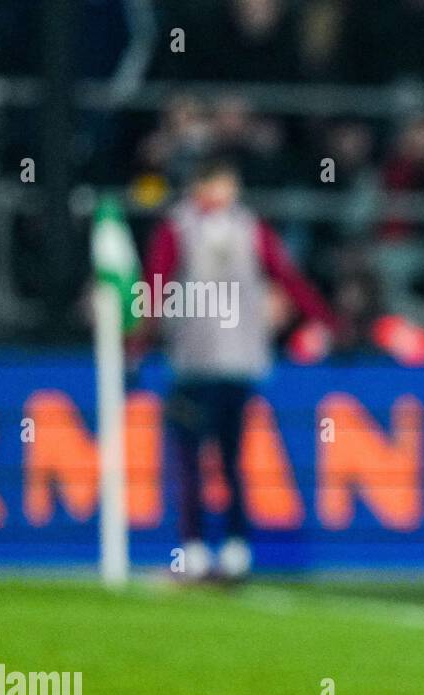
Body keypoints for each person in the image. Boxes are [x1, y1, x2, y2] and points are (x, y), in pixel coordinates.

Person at [132, 155, 341, 581]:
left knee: (222, 458)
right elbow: (155, 282)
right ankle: (202, 551)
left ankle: (229, 550)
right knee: (201, 460)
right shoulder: (185, 226)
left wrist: (323, 318)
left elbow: (286, 276)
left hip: (229, 362)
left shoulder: (243, 227)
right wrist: (139, 337)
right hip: (196, 361)